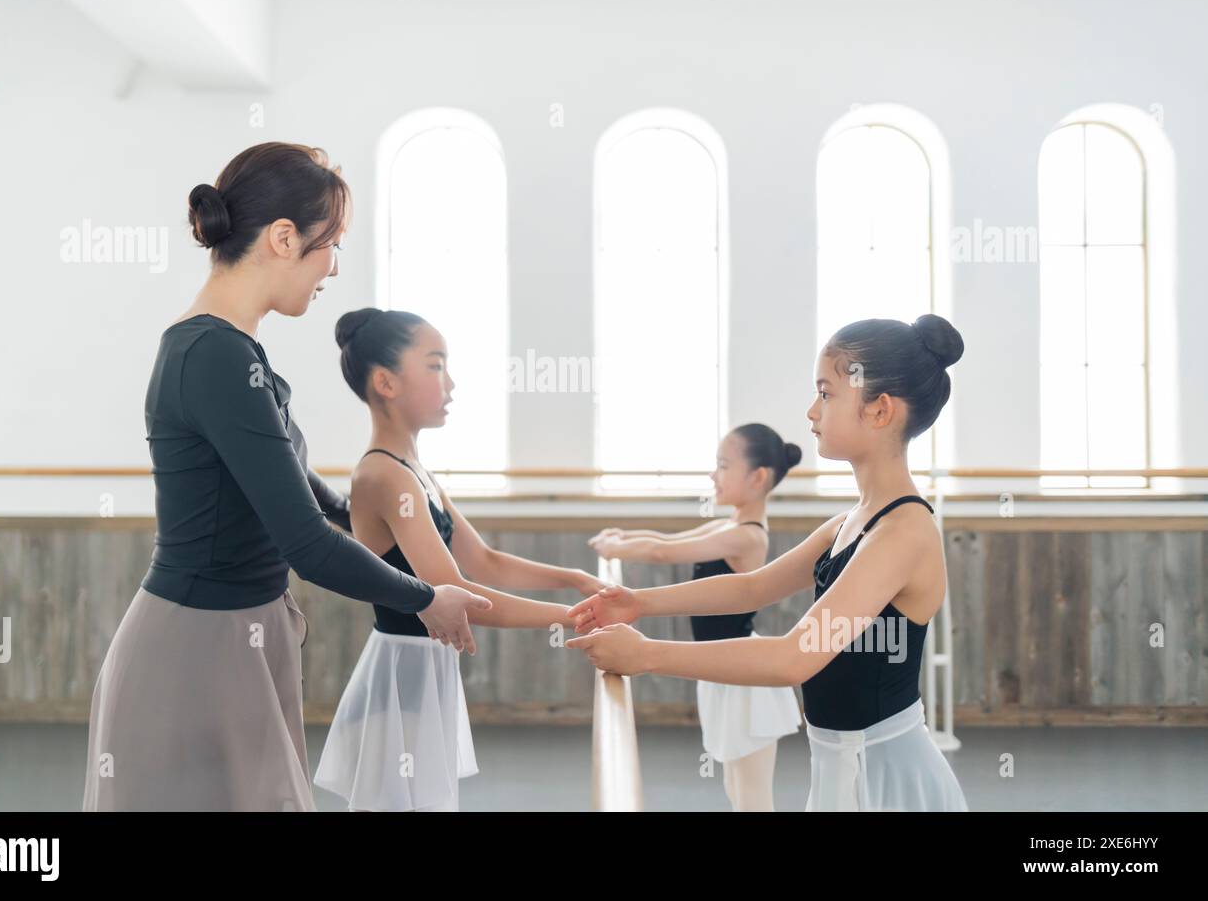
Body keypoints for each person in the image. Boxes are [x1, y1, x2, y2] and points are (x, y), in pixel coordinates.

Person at [82, 143, 487, 812]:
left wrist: (397, 501)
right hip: (194, 649)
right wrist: (426, 597)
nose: (332, 265)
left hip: (243, 634)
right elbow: (305, 541)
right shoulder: (209, 354)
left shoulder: (239, 354)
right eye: (330, 244)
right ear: (281, 237)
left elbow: (317, 503)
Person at [568, 315, 970, 811]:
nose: (811, 411)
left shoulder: (902, 532)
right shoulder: (853, 521)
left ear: (879, 410)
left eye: (826, 394)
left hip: (886, 772)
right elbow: (750, 588)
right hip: (839, 760)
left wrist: (648, 655)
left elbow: (794, 657)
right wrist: (636, 603)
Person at [313, 308, 603, 812]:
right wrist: (568, 616)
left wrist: (574, 580)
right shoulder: (383, 476)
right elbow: (460, 595)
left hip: (428, 668)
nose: (451, 382)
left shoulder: (415, 470)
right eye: (435, 365)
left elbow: (486, 562)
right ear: (385, 381)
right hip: (402, 672)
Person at [587, 423, 804, 811]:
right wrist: (621, 536)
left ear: (758, 477)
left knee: (752, 797)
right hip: (721, 670)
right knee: (737, 792)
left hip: (745, 675)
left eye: (722, 465)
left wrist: (614, 547)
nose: (712, 474)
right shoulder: (729, 525)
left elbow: (661, 555)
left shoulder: (747, 537)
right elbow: (667, 540)